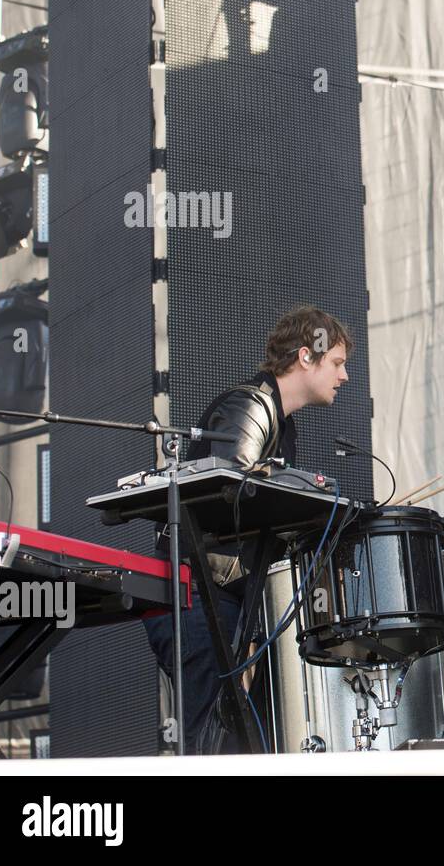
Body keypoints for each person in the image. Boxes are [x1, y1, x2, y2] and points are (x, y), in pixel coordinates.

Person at [143, 304, 353, 753]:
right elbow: (232, 493)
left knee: (239, 743)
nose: (344, 376)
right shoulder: (250, 406)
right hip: (196, 598)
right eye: (336, 362)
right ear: (305, 356)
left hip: (219, 600)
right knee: (213, 745)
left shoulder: (282, 423)